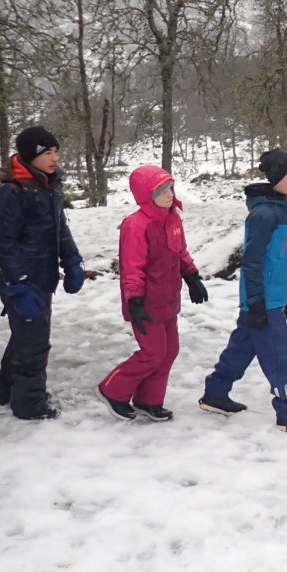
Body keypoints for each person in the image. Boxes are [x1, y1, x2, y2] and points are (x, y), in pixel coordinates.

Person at [199, 150, 287, 433]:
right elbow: (252, 262)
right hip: (263, 299)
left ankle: (215, 393)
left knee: (242, 347)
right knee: (281, 353)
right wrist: (256, 302)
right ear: (276, 179)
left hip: (275, 295)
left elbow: (284, 257)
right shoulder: (264, 214)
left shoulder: (286, 208)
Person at [0, 126, 88, 420]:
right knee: (34, 343)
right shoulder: (12, 192)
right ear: (30, 156)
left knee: (25, 336)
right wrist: (17, 285)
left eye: (56, 151)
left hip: (43, 277)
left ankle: (8, 389)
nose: (54, 157)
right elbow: (3, 244)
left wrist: (72, 261)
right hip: (22, 281)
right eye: (47, 153)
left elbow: (60, 229)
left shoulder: (48, 186)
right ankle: (29, 404)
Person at [96, 166, 208, 422]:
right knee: (153, 353)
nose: (169, 194)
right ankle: (112, 389)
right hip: (145, 303)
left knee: (169, 351)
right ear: (146, 195)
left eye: (170, 188)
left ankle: (149, 401)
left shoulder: (172, 218)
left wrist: (192, 277)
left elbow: (180, 252)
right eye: (160, 191)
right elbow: (132, 267)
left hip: (168, 299)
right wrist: (134, 300)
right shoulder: (136, 225)